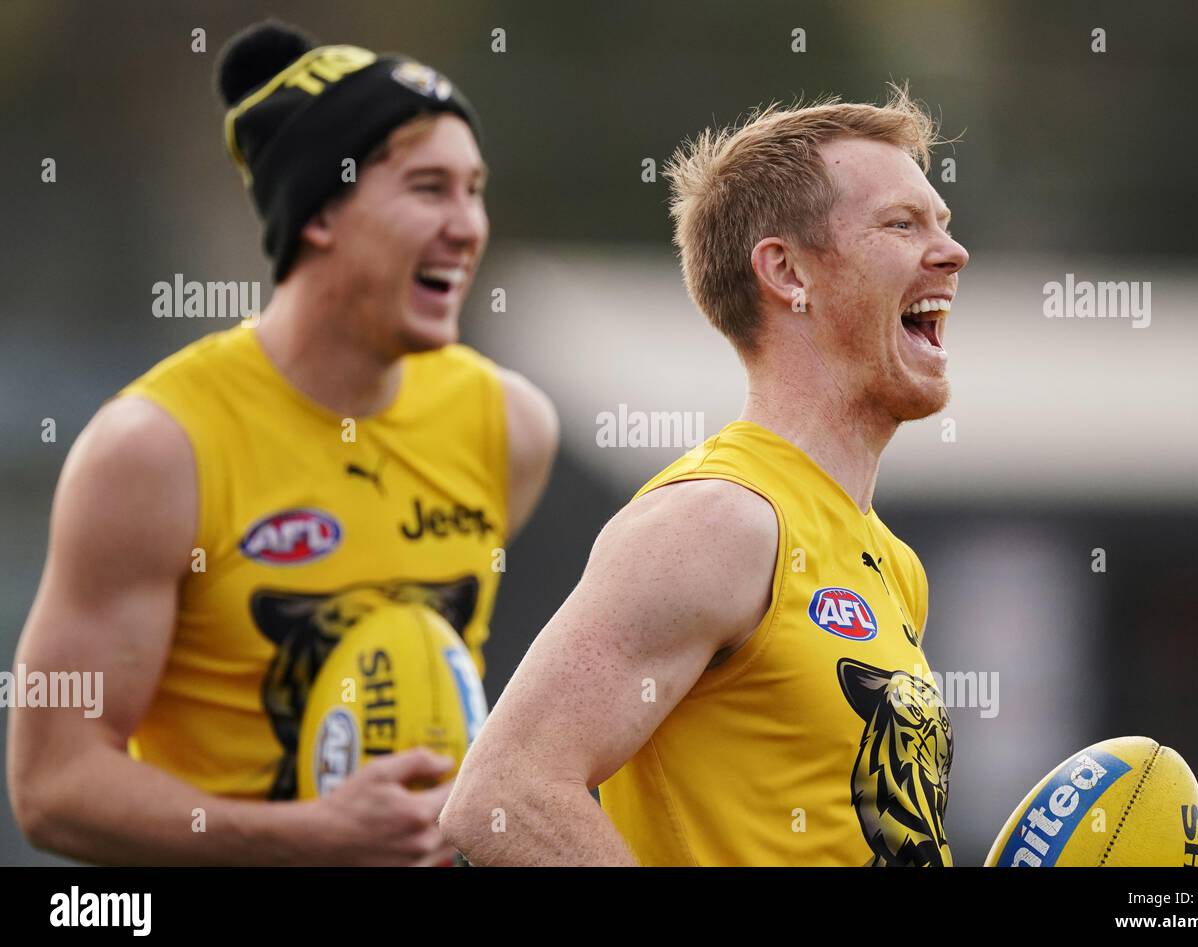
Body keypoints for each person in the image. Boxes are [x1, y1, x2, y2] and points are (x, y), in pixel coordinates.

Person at [7, 20, 557, 866]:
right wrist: (307, 839)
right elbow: (53, 785)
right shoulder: (153, 449)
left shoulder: (511, 425)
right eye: (428, 188)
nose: (467, 225)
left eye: (474, 189)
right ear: (321, 215)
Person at [440, 89, 969, 865]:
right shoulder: (718, 521)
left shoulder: (895, 567)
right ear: (786, 270)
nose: (952, 253)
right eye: (902, 224)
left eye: (943, 225)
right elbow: (505, 793)